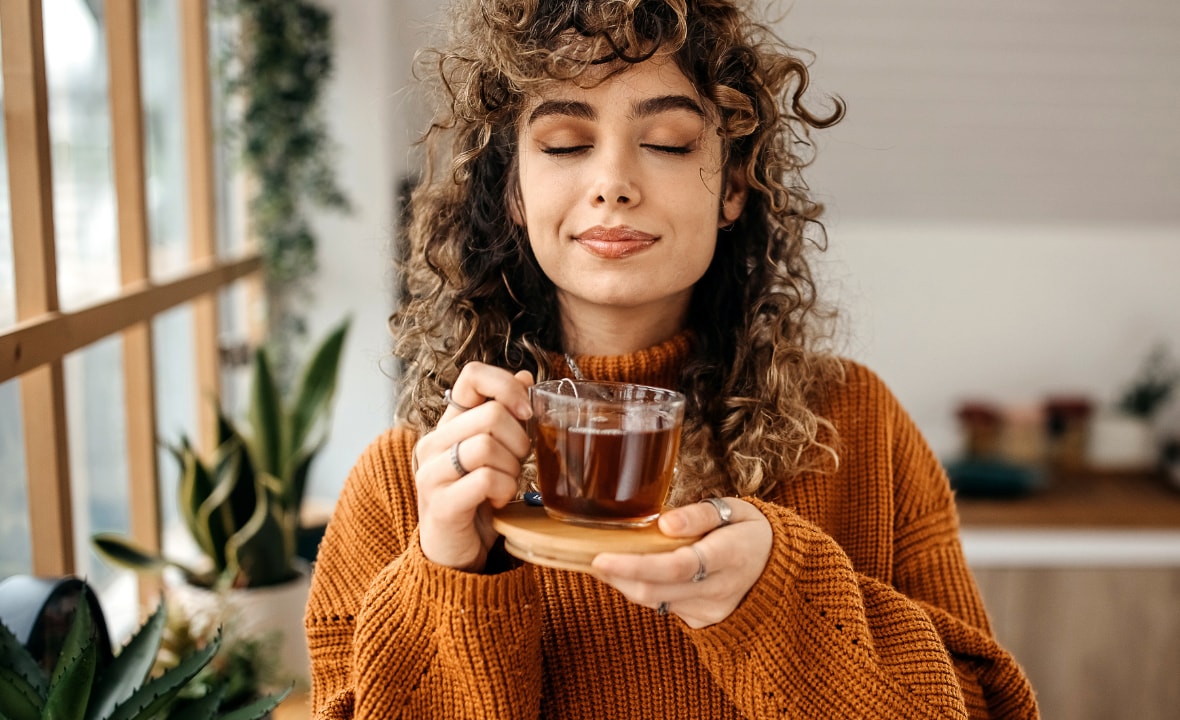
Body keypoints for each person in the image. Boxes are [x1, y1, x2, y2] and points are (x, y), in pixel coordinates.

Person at [304, 0, 1039, 717]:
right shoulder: (407, 491)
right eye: (564, 144)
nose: (614, 184)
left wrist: (780, 603)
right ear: (514, 194)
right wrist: (452, 575)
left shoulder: (855, 430)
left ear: (734, 187)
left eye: (669, 143)